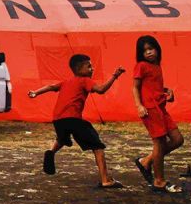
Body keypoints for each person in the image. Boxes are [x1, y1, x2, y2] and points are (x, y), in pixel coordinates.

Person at [28, 54, 126, 188]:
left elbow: (51, 87)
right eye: (89, 66)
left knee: (63, 139)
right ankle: (106, 180)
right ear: (79, 69)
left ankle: (51, 151)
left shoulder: (66, 82)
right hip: (73, 119)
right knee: (97, 147)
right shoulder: (85, 80)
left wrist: (35, 92)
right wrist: (115, 76)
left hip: (57, 120)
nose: (92, 68)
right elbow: (101, 90)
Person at [132, 35, 184, 193]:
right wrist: (139, 105)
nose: (148, 52)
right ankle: (159, 181)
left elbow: (153, 85)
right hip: (150, 109)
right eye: (145, 50)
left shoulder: (157, 65)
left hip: (161, 108)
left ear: (157, 49)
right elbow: (135, 87)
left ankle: (146, 161)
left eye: (151, 48)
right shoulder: (141, 66)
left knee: (178, 139)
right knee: (159, 144)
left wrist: (166, 91)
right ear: (141, 53)